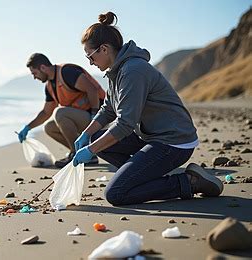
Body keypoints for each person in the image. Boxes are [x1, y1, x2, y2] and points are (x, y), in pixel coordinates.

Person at [73, 12, 223, 205]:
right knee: (95, 138)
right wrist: (86, 135)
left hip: (174, 142)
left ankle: (189, 182)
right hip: (151, 136)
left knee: (116, 194)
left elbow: (124, 125)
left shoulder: (133, 71)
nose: (90, 62)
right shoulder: (115, 71)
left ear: (104, 49)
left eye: (90, 56)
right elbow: (109, 109)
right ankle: (142, 174)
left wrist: (91, 150)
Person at [18, 53, 106, 168]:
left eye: (34, 73)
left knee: (60, 113)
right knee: (49, 127)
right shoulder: (50, 86)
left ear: (43, 68)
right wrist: (28, 127)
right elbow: (46, 112)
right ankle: (83, 154)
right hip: (83, 118)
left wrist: (94, 115)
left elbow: (92, 89)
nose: (35, 77)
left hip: (100, 117)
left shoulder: (66, 72)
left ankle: (77, 153)